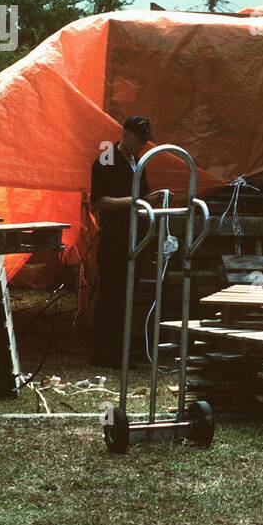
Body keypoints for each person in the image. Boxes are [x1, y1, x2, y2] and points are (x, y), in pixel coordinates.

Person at [90, 115, 156, 368]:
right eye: (138, 139)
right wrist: (133, 201)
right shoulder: (107, 158)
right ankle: (105, 353)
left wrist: (154, 199)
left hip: (135, 237)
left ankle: (123, 349)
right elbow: (99, 201)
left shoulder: (138, 162)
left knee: (127, 295)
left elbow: (144, 196)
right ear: (125, 133)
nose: (141, 145)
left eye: (144, 141)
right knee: (111, 295)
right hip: (115, 238)